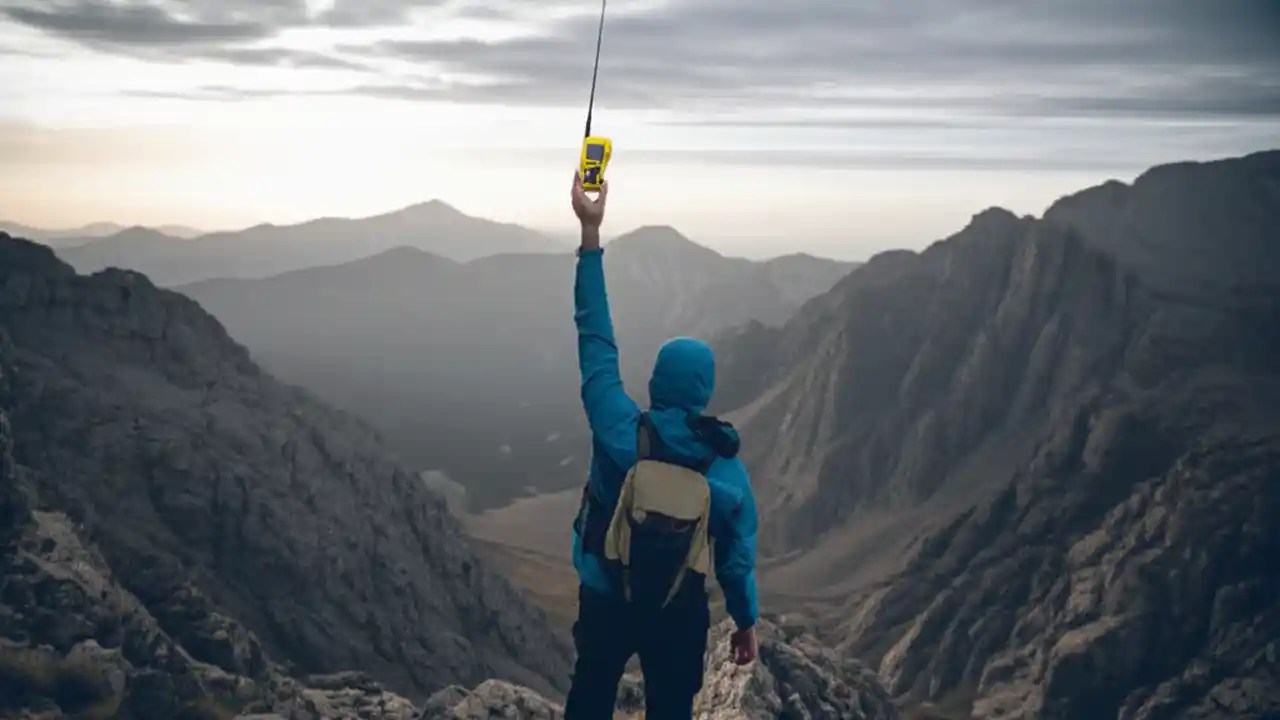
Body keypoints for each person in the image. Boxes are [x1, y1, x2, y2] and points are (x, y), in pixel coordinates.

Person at [564, 172, 760, 719]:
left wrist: (590, 234)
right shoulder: (724, 472)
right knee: (672, 705)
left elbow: (594, 337)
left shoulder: (617, 429)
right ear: (703, 392)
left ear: (655, 381)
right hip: (679, 609)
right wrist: (746, 623)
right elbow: (738, 561)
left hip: (605, 591)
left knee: (592, 687)